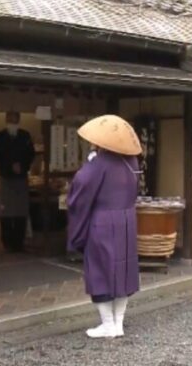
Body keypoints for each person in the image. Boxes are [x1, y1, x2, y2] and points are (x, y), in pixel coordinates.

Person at [67, 115, 142, 339]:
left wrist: (90, 163)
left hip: (103, 223)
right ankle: (119, 324)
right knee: (123, 272)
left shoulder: (99, 163)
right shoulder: (132, 162)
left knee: (100, 271)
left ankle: (108, 324)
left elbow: (80, 188)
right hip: (127, 220)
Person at [0, 112, 35, 253]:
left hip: (21, 177)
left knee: (20, 211)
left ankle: (19, 242)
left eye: (15, 121)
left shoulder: (25, 136)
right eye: (10, 120)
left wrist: (22, 166)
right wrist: (9, 166)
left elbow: (31, 154)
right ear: (6, 120)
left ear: (19, 121)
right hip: (5, 177)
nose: (13, 123)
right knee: (5, 212)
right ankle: (7, 242)